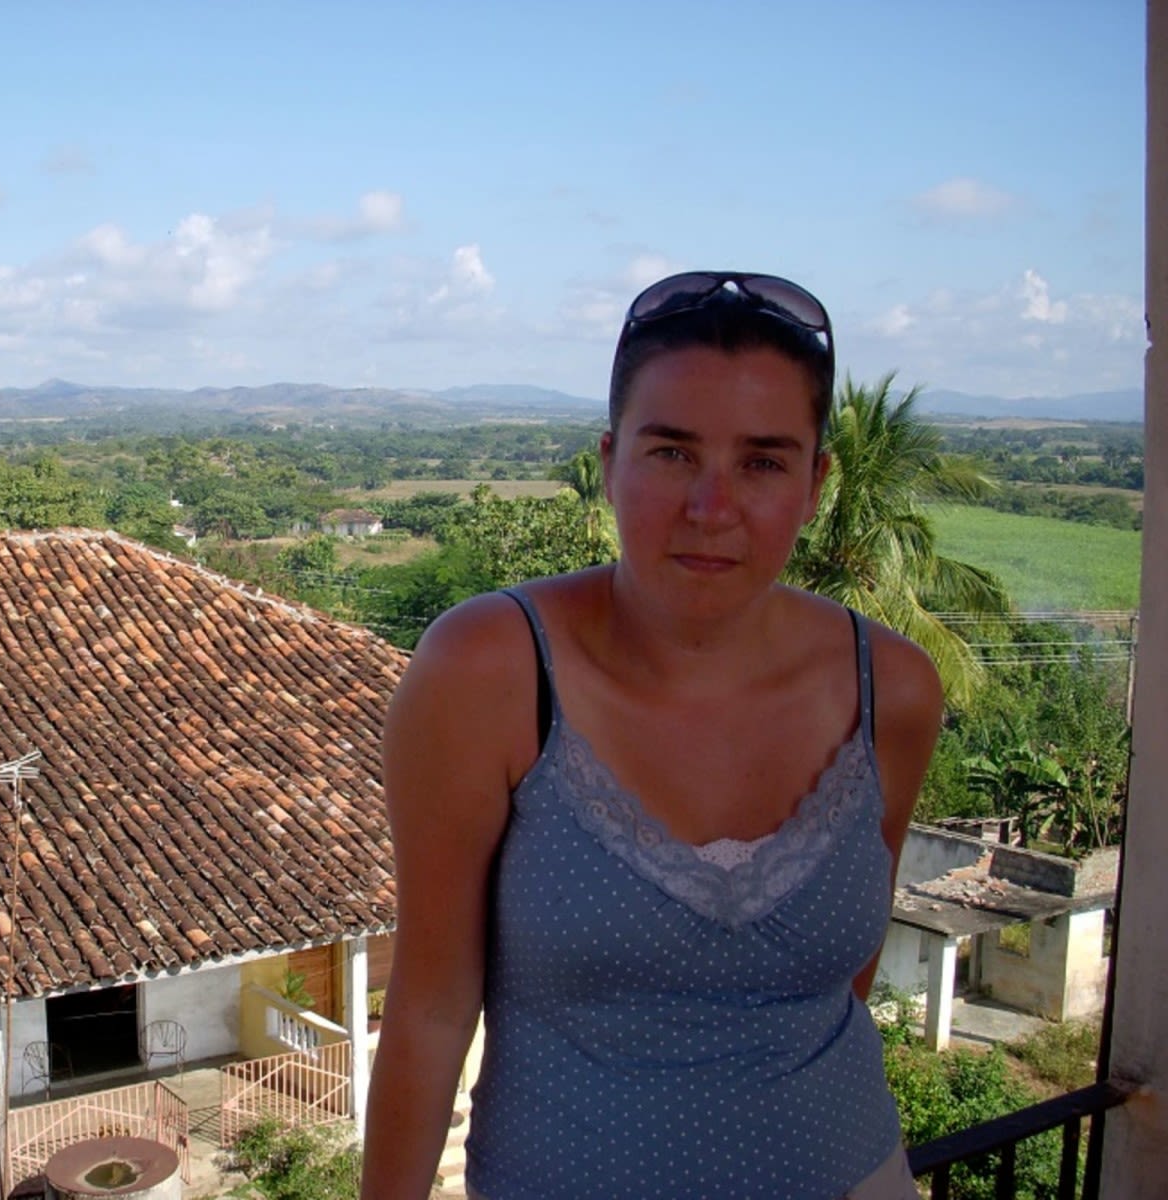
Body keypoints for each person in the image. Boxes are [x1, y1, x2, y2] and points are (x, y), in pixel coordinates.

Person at [360, 271, 945, 1199]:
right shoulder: (492, 672)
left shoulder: (891, 691)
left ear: (816, 481)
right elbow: (430, 1009)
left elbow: (842, 985)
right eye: (672, 452)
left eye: (763, 461)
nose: (712, 508)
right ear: (609, 459)